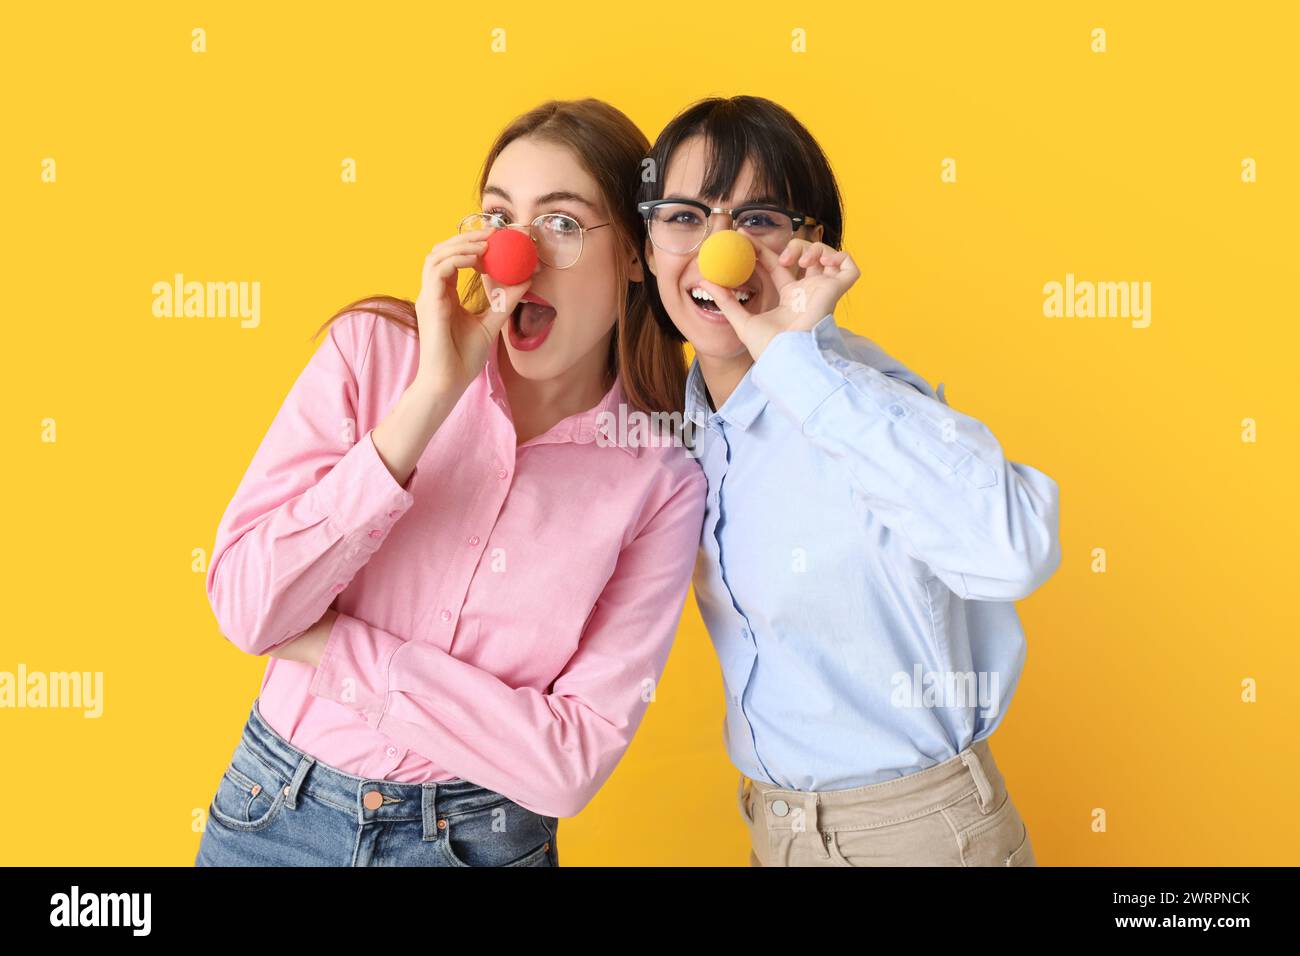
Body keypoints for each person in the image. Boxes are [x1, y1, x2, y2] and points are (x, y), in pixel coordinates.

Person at [195, 99, 705, 867]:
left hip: (478, 843)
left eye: (562, 224)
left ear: (634, 253)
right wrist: (430, 399)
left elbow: (567, 767)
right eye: (501, 218)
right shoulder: (372, 354)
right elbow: (244, 603)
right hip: (276, 815)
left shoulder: (660, 478)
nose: (518, 255)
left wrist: (329, 644)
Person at [637, 95, 1061, 866]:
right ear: (648, 240)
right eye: (684, 216)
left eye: (757, 219)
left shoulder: (858, 399)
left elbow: (1015, 550)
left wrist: (798, 362)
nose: (718, 252)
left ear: (810, 247)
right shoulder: (689, 428)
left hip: (923, 840)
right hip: (778, 831)